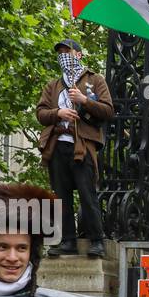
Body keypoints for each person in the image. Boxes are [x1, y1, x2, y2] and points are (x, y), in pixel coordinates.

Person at [37, 38, 115, 259]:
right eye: (60, 52)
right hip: (57, 146)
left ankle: (96, 239)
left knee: (87, 193)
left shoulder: (95, 79)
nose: (63, 55)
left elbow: (108, 110)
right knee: (60, 197)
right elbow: (41, 113)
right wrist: (58, 113)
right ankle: (67, 240)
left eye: (67, 51)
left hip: (82, 146)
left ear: (78, 55)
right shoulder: (53, 85)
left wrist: (84, 100)